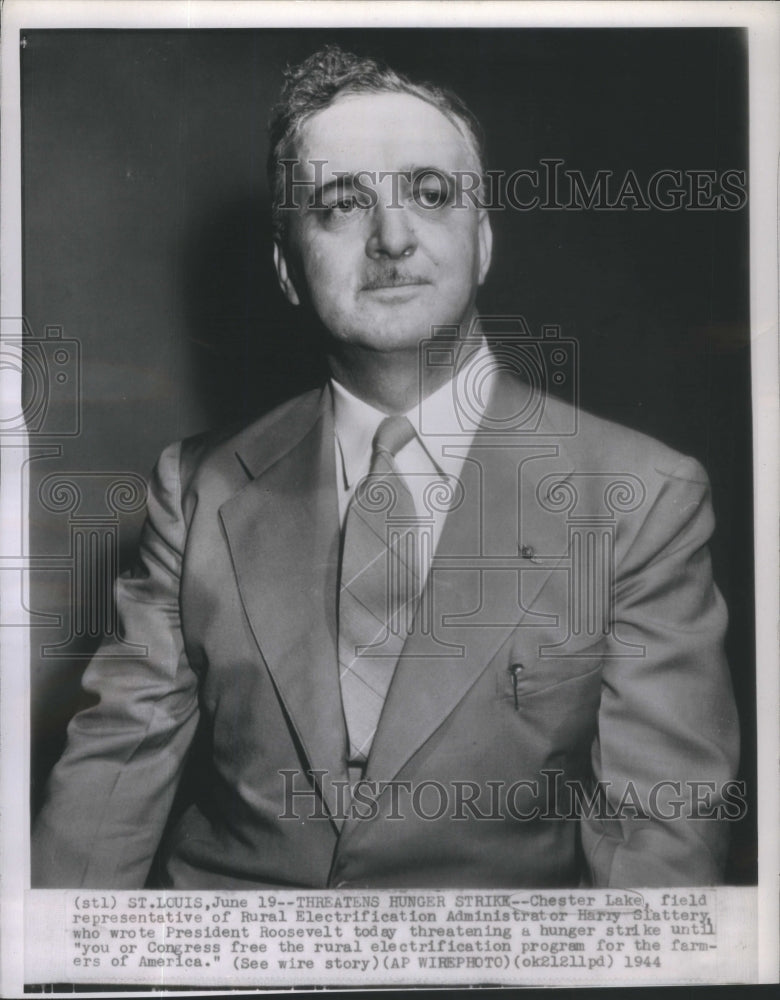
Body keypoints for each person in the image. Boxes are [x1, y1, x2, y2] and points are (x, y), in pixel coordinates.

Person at [32, 46, 739, 890]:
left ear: (481, 241)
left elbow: (661, 850)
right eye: (343, 203)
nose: (394, 237)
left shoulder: (642, 498)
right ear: (288, 269)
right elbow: (104, 796)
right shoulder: (196, 490)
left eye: (431, 195)